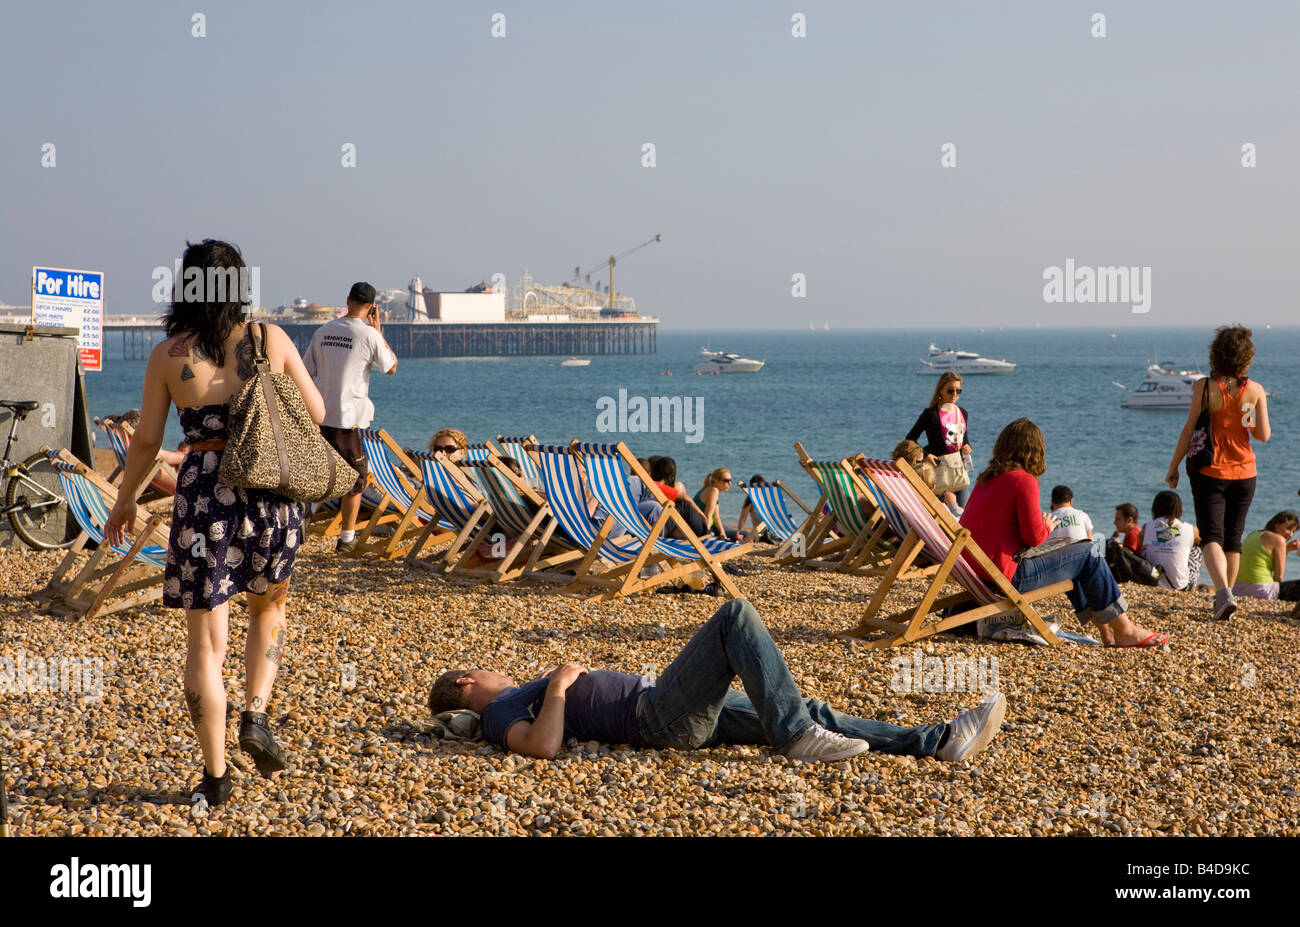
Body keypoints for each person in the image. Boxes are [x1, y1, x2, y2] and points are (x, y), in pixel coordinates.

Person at [103, 239, 326, 806]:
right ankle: (255, 713)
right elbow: (318, 413)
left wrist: (125, 498)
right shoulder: (268, 338)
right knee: (269, 607)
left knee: (204, 644)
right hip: (269, 492)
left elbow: (149, 440)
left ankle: (216, 776)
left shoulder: (167, 355)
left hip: (204, 497)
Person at [428, 598, 1007, 764]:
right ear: (467, 679)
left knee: (805, 708)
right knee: (734, 617)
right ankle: (795, 738)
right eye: (484, 668)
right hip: (657, 715)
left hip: (668, 709)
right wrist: (557, 685)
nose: (496, 669)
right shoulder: (503, 711)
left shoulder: (505, 705)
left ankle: (937, 741)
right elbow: (543, 746)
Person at [959, 418, 1170, 648]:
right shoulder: (1023, 480)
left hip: (979, 575)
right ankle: (1124, 630)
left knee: (1076, 553)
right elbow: (1034, 537)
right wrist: (1047, 525)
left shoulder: (986, 479)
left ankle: (1108, 632)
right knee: (1089, 553)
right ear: (1035, 450)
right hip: (1007, 579)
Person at [1166, 325, 1271, 620]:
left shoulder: (1204, 387)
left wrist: (1173, 466)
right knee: (1233, 537)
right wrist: (1245, 414)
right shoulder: (1254, 390)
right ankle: (1229, 596)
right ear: (1246, 357)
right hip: (1245, 472)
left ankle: (1222, 593)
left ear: (1217, 353)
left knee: (1212, 535)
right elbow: (1261, 434)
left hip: (1210, 470)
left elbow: (1189, 430)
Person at [303, 282, 397, 553]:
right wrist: (378, 330)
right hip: (350, 420)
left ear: (347, 300)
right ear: (371, 307)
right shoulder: (369, 334)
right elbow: (391, 368)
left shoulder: (323, 331)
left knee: (320, 473)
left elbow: (306, 371)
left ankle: (307, 513)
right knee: (355, 481)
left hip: (320, 416)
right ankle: (346, 539)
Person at [906, 372, 974, 507]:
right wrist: (926, 455)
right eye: (950, 390)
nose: (955, 394)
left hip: (958, 471)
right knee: (937, 515)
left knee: (962, 513)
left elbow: (963, 439)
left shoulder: (962, 413)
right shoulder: (930, 414)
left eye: (958, 390)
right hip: (938, 472)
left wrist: (967, 446)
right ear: (941, 390)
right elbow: (910, 440)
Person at [1140, 491, 1203, 592]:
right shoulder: (1191, 529)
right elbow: (1205, 541)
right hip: (1181, 586)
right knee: (1196, 548)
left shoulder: (1146, 527)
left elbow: (1140, 542)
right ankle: (1190, 585)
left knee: (1147, 545)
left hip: (1151, 581)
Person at [1231, 511, 1300, 601]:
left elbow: (1260, 559)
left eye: (1293, 531)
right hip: (1259, 591)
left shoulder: (1254, 534)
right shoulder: (1279, 540)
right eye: (1288, 529)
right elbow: (1278, 576)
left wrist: (1286, 550)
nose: (1290, 534)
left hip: (1236, 589)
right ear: (1277, 524)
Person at [892, 439, 960, 516]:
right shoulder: (908, 488)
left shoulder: (893, 481)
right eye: (918, 462)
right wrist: (953, 507)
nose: (921, 464)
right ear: (908, 462)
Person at [693, 468, 734, 539]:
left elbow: (716, 516)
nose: (730, 483)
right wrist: (706, 535)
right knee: (744, 534)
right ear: (716, 481)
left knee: (729, 531)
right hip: (703, 528)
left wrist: (722, 532)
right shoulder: (713, 491)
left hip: (707, 526)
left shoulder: (711, 490)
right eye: (726, 480)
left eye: (730, 480)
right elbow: (707, 516)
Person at [735, 474, 766, 541]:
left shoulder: (768, 500)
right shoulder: (750, 501)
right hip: (760, 536)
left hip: (773, 534)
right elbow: (742, 520)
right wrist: (740, 536)